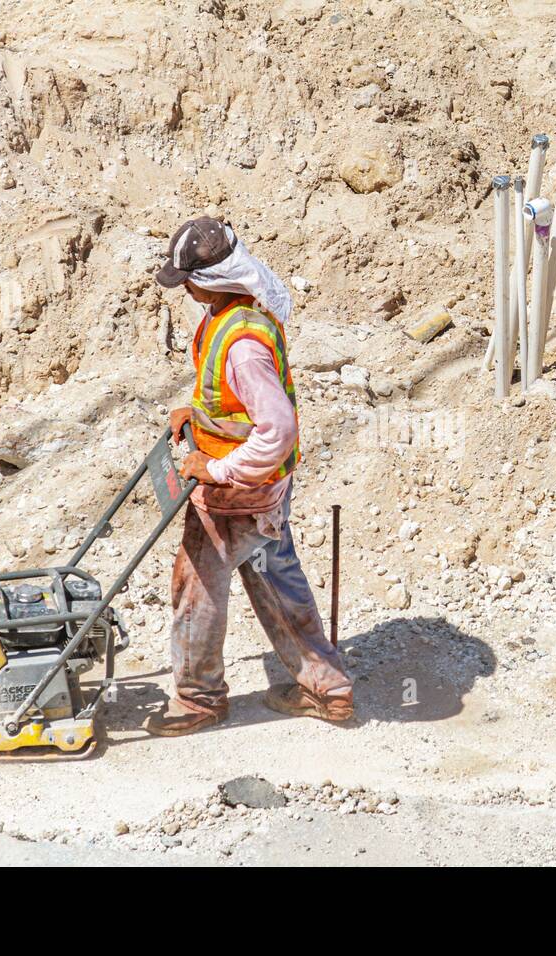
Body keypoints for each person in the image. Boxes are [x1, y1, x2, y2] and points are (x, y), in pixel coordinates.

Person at [144, 216, 353, 736]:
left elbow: (275, 428)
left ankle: (199, 700)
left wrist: (216, 469)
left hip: (236, 493)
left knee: (196, 588)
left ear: (209, 280)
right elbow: (232, 401)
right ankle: (327, 687)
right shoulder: (233, 314)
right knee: (274, 579)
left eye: (188, 279)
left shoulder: (243, 344)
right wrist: (196, 413)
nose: (185, 287)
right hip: (265, 490)